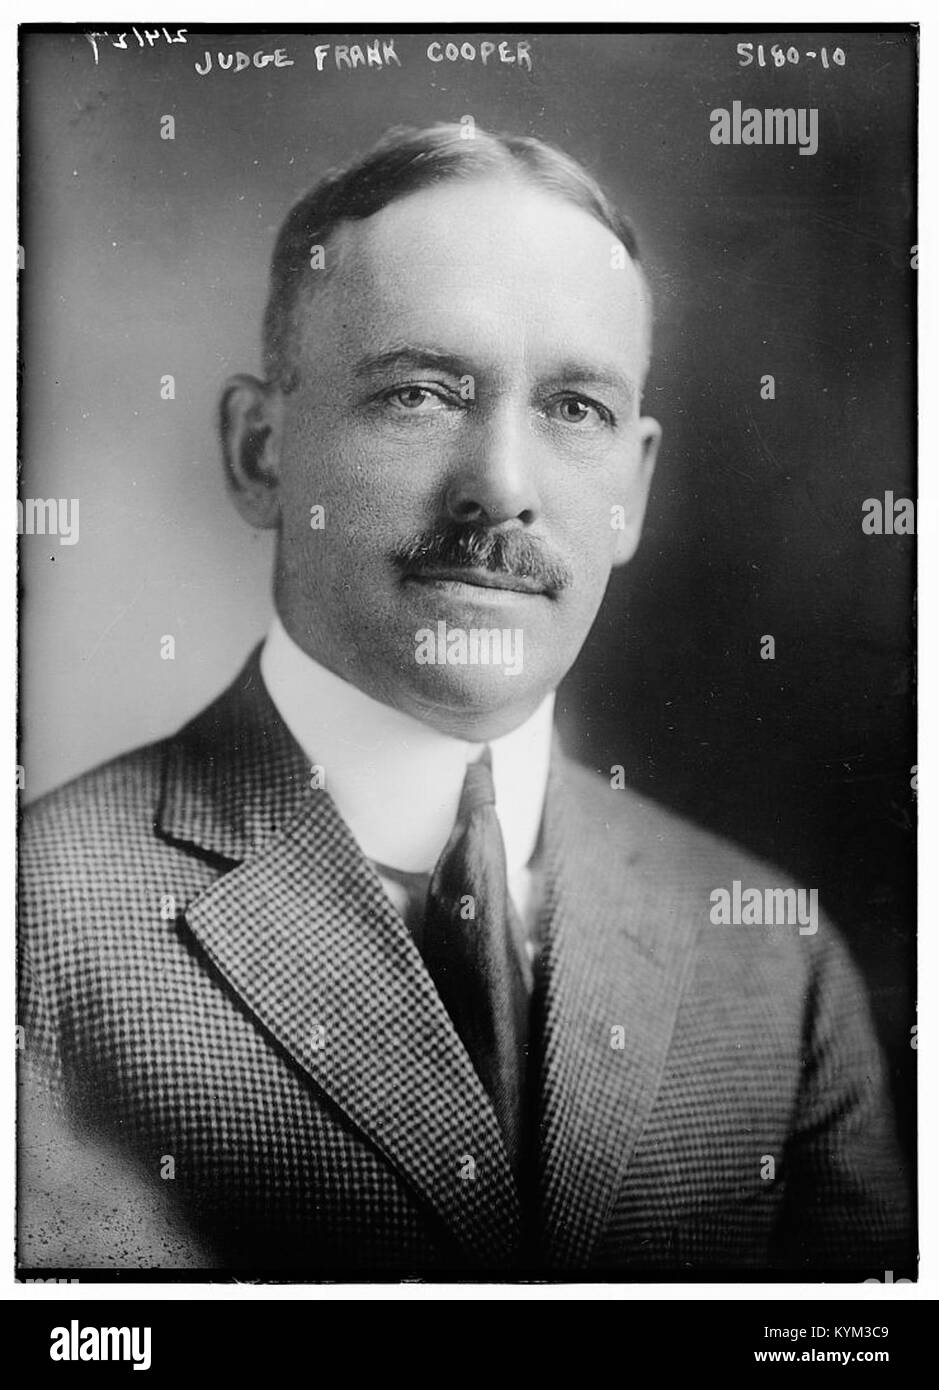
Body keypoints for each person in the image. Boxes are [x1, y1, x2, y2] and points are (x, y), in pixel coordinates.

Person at [18, 123, 912, 1276]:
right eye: (420, 394)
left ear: (633, 492)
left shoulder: (776, 964)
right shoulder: (38, 927)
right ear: (260, 451)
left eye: (574, 409)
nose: (501, 485)